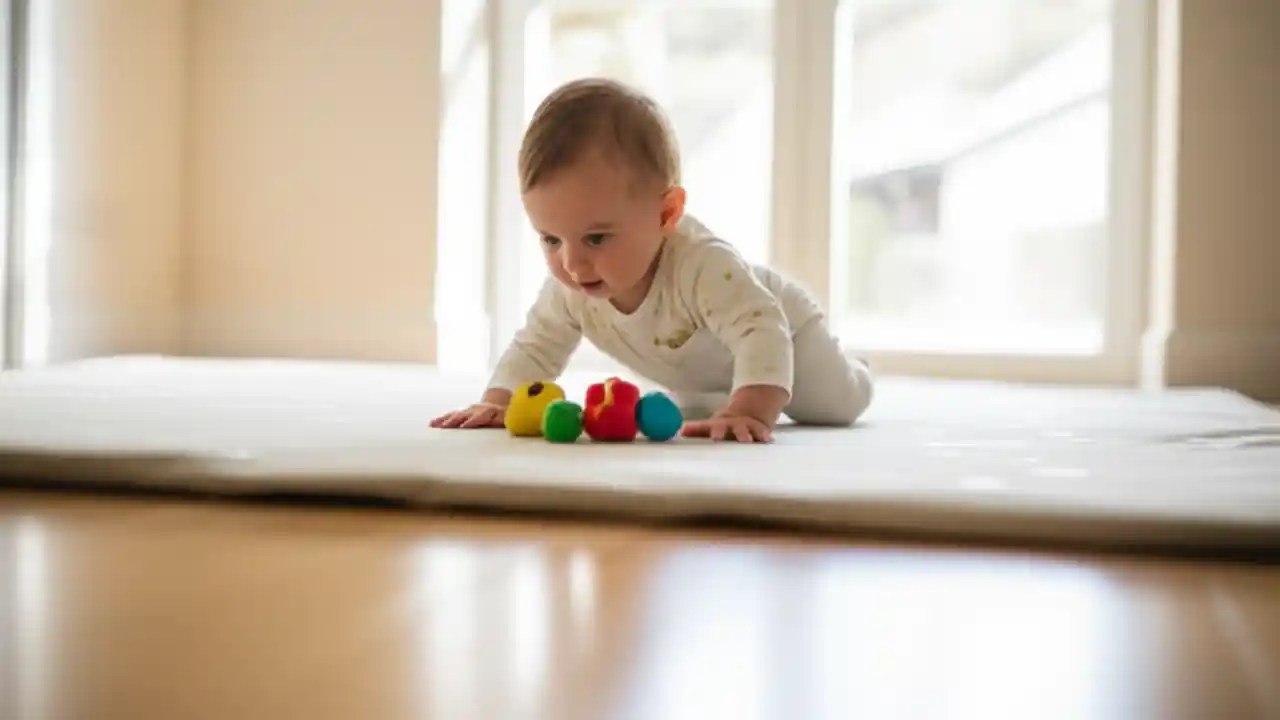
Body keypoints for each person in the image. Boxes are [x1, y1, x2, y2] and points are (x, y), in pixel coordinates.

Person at [430, 78, 872, 443]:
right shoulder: (570, 286)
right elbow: (537, 345)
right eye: (550, 239)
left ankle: (857, 369)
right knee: (699, 402)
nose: (573, 264)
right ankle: (729, 391)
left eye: (596, 238)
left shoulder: (701, 265)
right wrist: (499, 400)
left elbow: (761, 330)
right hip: (704, 368)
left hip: (785, 330)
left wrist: (751, 411)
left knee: (833, 405)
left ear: (666, 215)